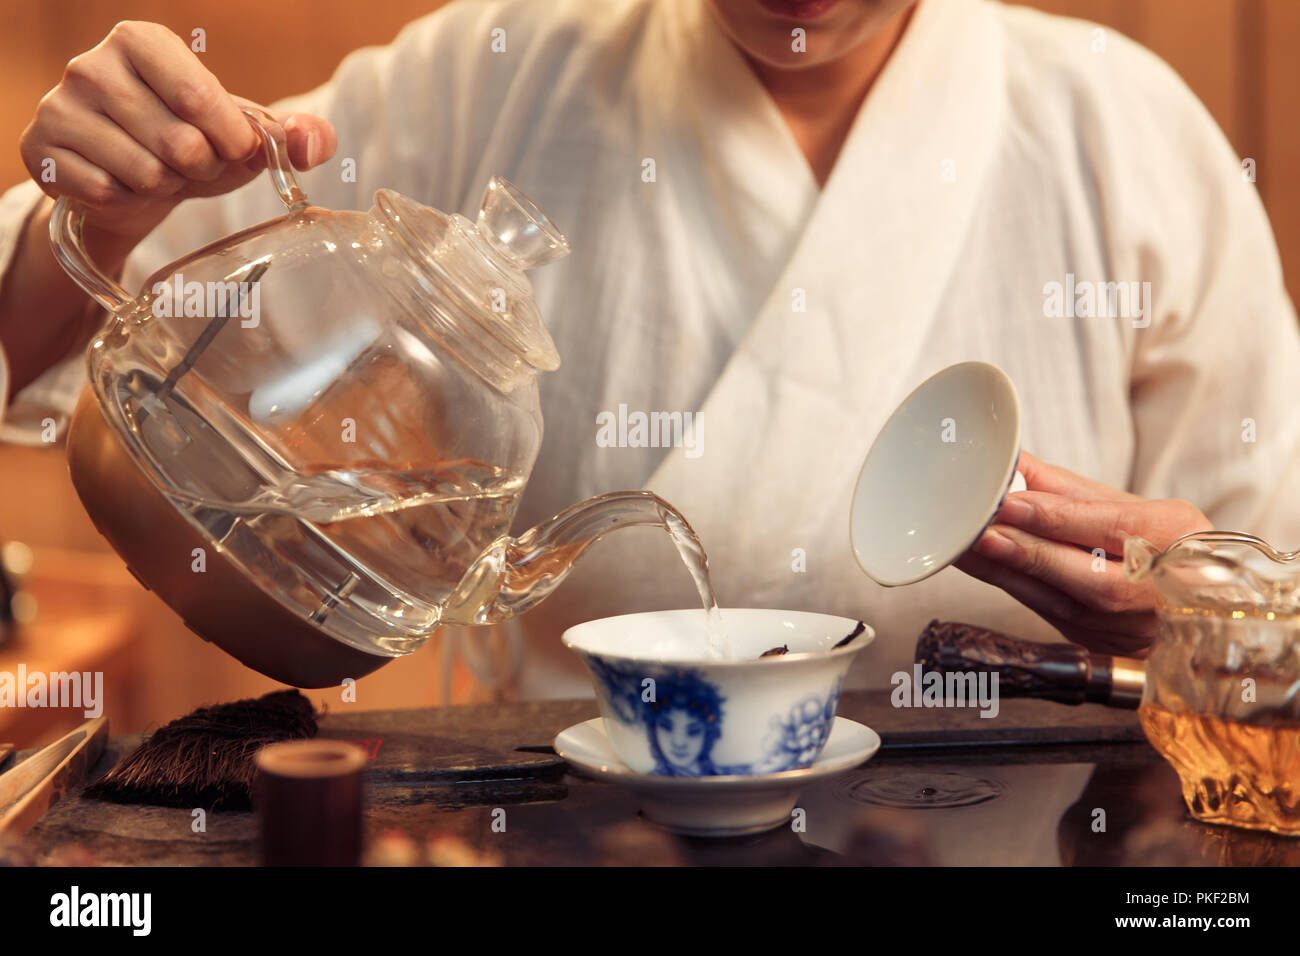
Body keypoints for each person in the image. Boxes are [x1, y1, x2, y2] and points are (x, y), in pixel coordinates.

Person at [2, 0, 1298, 699]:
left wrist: (1204, 609)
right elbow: (45, 333)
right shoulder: (490, 77)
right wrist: (103, 211)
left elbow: (1278, 626)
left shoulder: (1122, 137)